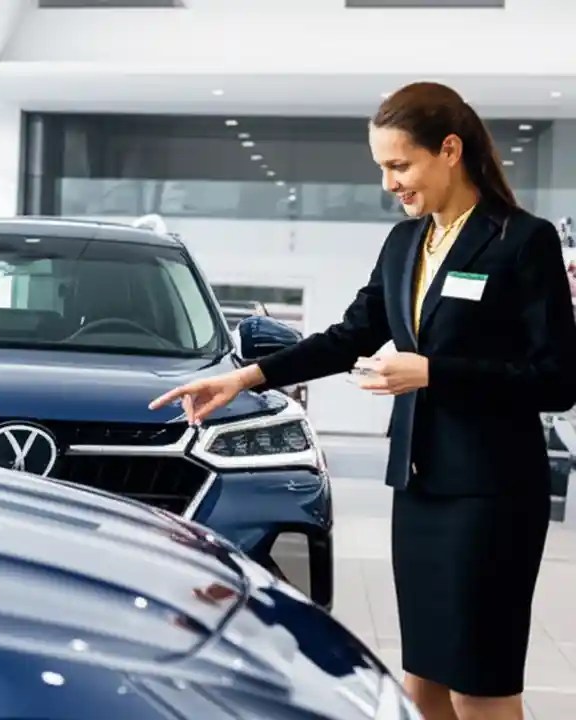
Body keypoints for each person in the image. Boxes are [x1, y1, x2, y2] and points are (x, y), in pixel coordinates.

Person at [151, 81, 576, 720]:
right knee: (424, 680)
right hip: (420, 485)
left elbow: (557, 378)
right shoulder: (405, 244)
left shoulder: (522, 240)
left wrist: (434, 372)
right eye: (383, 167)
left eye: (399, 165)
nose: (389, 183)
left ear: (451, 150)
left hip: (491, 495)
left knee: (479, 684)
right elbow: (348, 336)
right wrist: (244, 379)